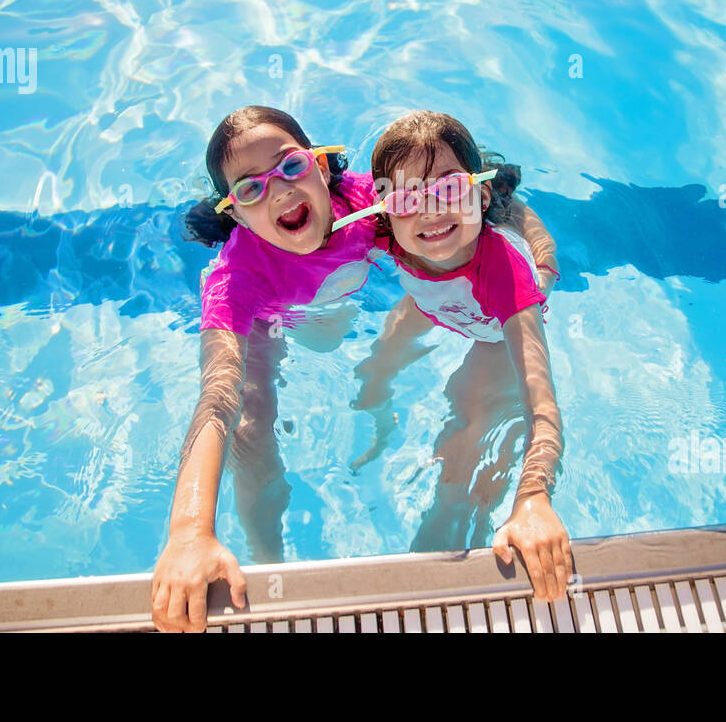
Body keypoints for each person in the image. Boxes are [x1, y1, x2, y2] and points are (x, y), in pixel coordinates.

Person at [151, 105, 561, 632]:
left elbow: (489, 196)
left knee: (420, 395)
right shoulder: (237, 282)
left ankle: (432, 576)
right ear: (233, 211)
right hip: (270, 316)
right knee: (250, 428)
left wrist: (544, 258)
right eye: (251, 189)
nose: (278, 192)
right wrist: (188, 532)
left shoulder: (383, 202)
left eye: (291, 167)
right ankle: (265, 568)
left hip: (391, 304)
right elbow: (215, 398)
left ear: (322, 167)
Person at [345, 110, 570, 601]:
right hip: (433, 295)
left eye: (449, 189)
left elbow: (543, 409)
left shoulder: (508, 279)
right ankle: (376, 434)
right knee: (375, 369)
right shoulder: (387, 228)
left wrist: (534, 498)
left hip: (491, 321)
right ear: (384, 211)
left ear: (481, 195)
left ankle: (445, 530)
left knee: (465, 425)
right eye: (406, 198)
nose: (428, 211)